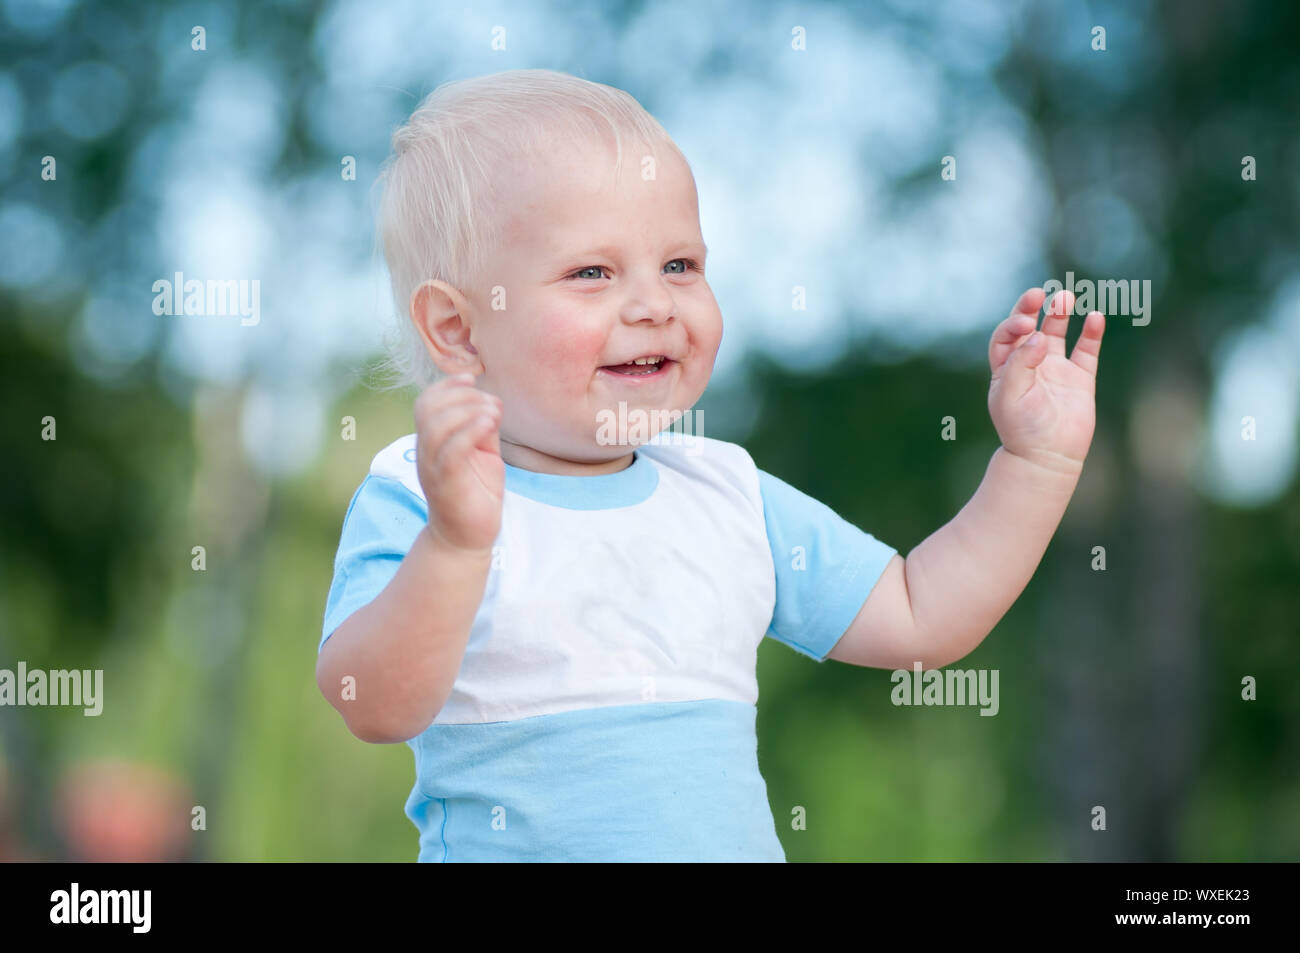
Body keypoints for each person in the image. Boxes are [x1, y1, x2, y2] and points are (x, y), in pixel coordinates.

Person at [315, 68, 1105, 862]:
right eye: (592, 271)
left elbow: (920, 613)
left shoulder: (724, 493)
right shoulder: (426, 494)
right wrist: (455, 546)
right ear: (457, 329)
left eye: (682, 265)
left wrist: (1035, 461)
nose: (655, 303)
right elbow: (373, 703)